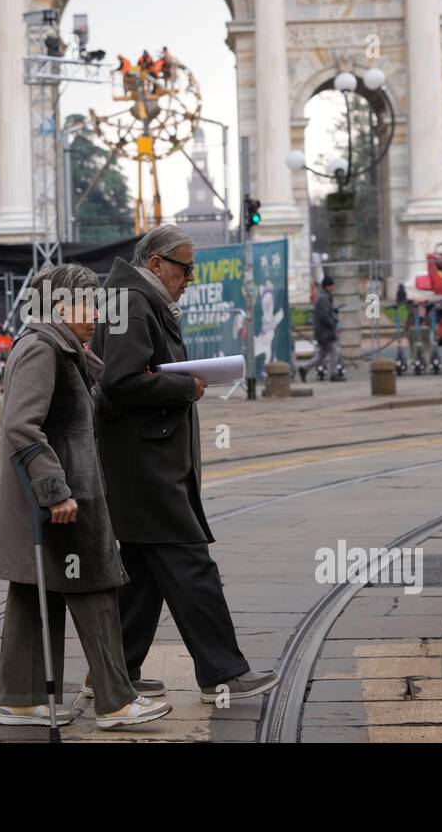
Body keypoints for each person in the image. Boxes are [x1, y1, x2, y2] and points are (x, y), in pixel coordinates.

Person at [92, 226, 279, 703]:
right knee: (190, 563)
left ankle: (113, 673)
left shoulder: (138, 298)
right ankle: (224, 671)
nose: (190, 278)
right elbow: (122, 380)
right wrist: (186, 386)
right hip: (146, 466)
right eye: (184, 267)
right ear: (155, 263)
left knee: (145, 573)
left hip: (146, 459)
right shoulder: (133, 302)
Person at [0, 263, 173, 730]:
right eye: (87, 302)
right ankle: (115, 702)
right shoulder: (41, 349)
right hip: (66, 503)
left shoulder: (56, 347)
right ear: (57, 305)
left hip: (56, 501)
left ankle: (21, 698)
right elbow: (21, 425)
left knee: (35, 595)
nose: (97, 312)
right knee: (96, 591)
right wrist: (56, 492)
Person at [299, 275, 342, 382]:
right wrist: (333, 322)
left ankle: (304, 368)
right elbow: (324, 316)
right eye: (332, 285)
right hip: (325, 332)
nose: (334, 287)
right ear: (328, 286)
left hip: (322, 332)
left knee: (321, 356)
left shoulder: (323, 297)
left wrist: (333, 312)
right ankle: (333, 374)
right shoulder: (323, 298)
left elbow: (326, 312)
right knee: (335, 351)